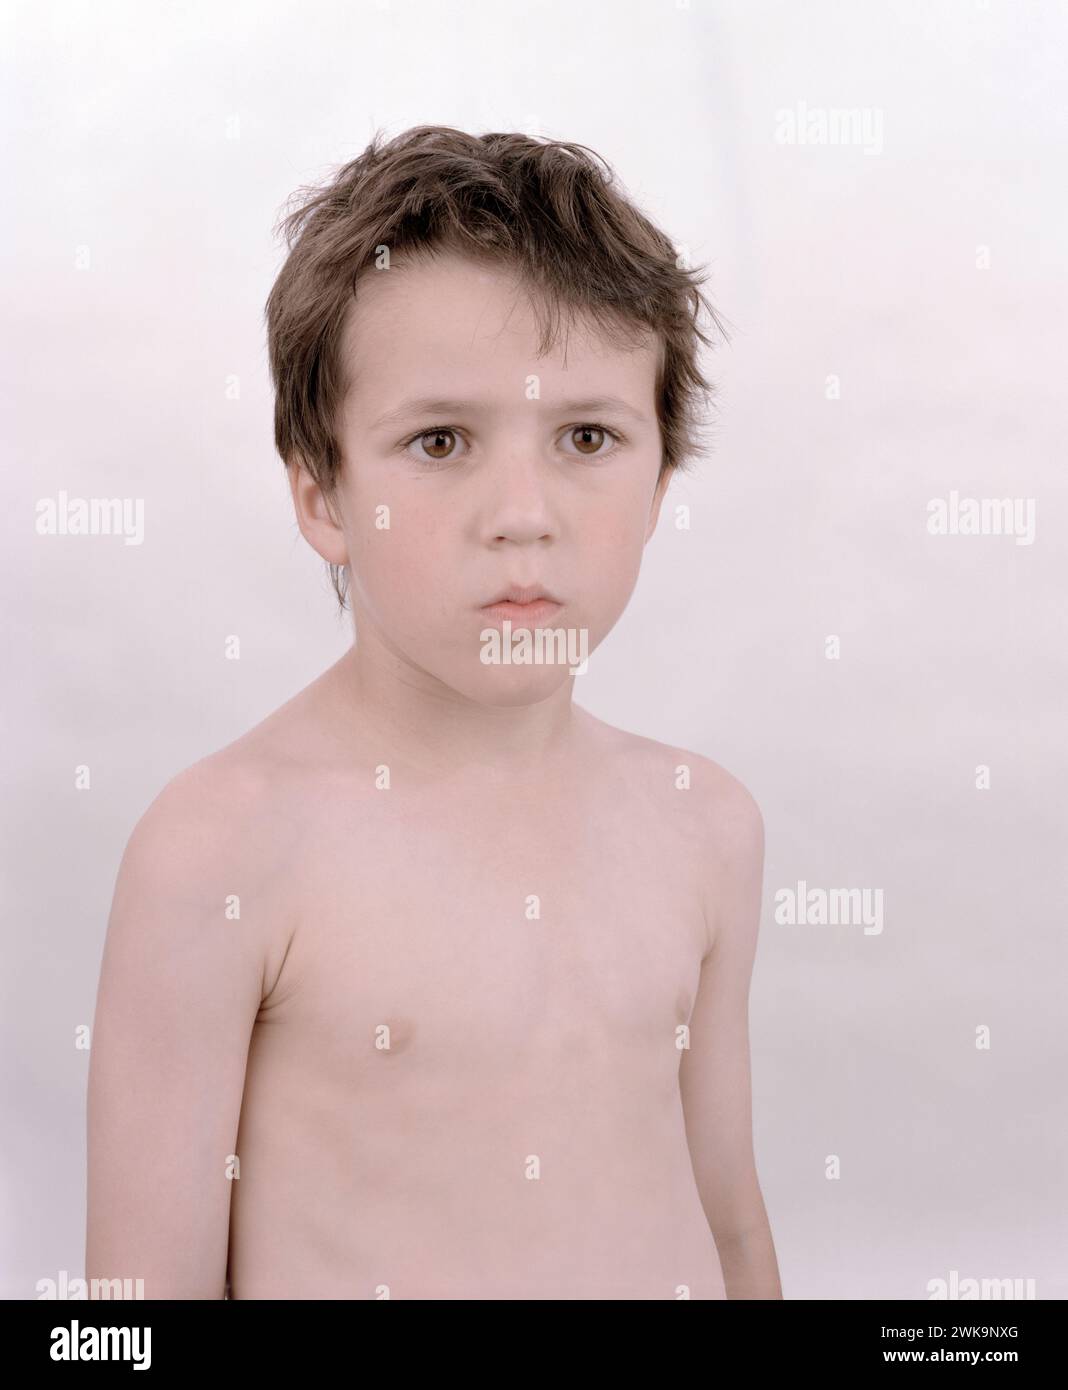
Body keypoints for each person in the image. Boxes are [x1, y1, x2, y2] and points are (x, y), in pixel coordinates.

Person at [86, 125, 781, 1300]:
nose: (523, 513)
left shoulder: (704, 823)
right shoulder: (225, 846)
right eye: (441, 441)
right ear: (323, 493)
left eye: (587, 437)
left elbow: (731, 1223)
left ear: (661, 480)